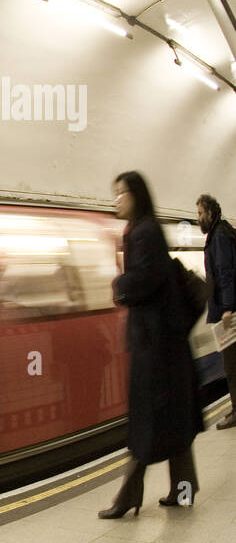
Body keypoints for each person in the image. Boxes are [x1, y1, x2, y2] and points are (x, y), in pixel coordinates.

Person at [99, 171, 202, 518]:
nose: (116, 200)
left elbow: (143, 282)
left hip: (156, 347)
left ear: (136, 195)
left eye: (121, 193)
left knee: (147, 421)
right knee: (174, 420)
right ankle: (183, 490)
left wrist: (118, 282)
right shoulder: (146, 230)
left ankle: (128, 496)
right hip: (164, 344)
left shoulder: (143, 232)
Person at [197, 193, 236, 429]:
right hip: (226, 308)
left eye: (200, 213)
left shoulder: (219, 236)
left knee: (230, 364)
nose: (198, 217)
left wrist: (228, 307)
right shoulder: (222, 232)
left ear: (210, 213)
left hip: (227, 312)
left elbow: (225, 272)